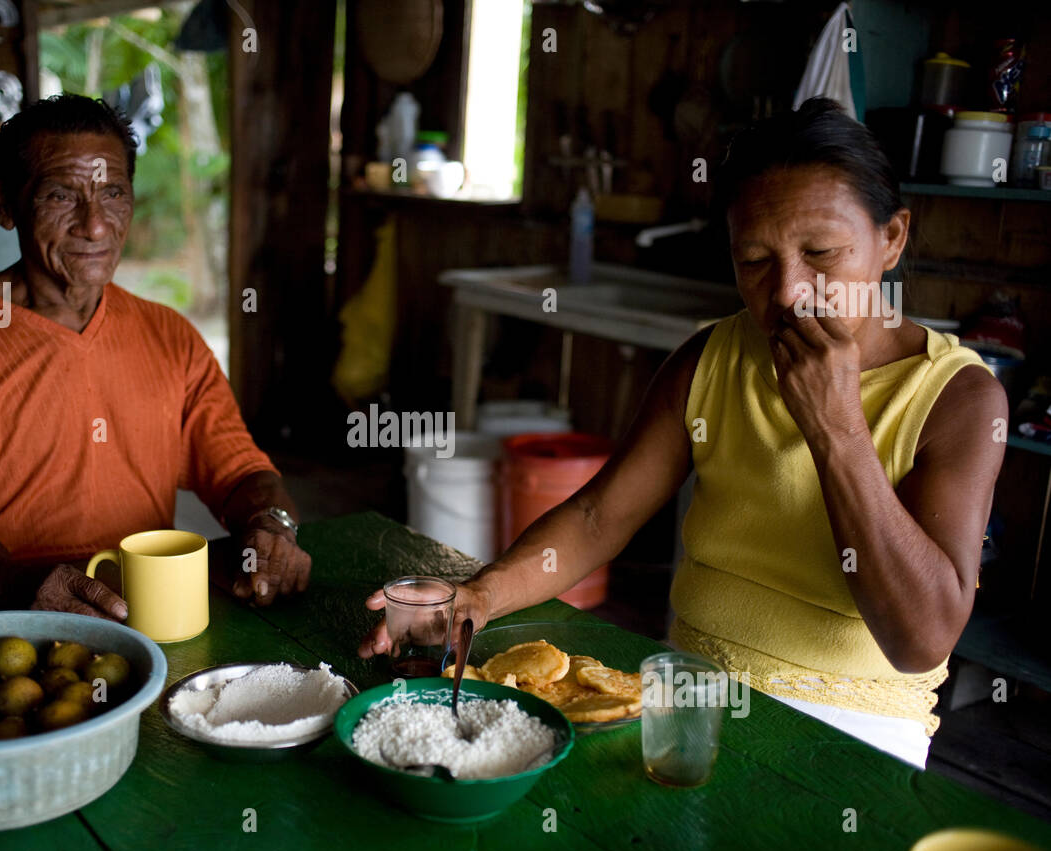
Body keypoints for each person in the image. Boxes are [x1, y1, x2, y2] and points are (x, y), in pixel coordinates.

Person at [359, 98, 1006, 769]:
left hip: (854, 730)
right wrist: (481, 596)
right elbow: (596, 516)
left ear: (892, 238)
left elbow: (922, 639)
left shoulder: (957, 398)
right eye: (754, 259)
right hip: (688, 698)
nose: (787, 291)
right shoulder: (713, 358)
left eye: (820, 253)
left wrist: (838, 428)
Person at [0, 94, 310, 618]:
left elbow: (240, 473)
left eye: (112, 193)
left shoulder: (169, 334)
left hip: (154, 616)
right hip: (14, 624)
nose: (94, 226)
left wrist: (270, 524)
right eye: (60, 196)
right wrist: (19, 588)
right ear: (4, 202)